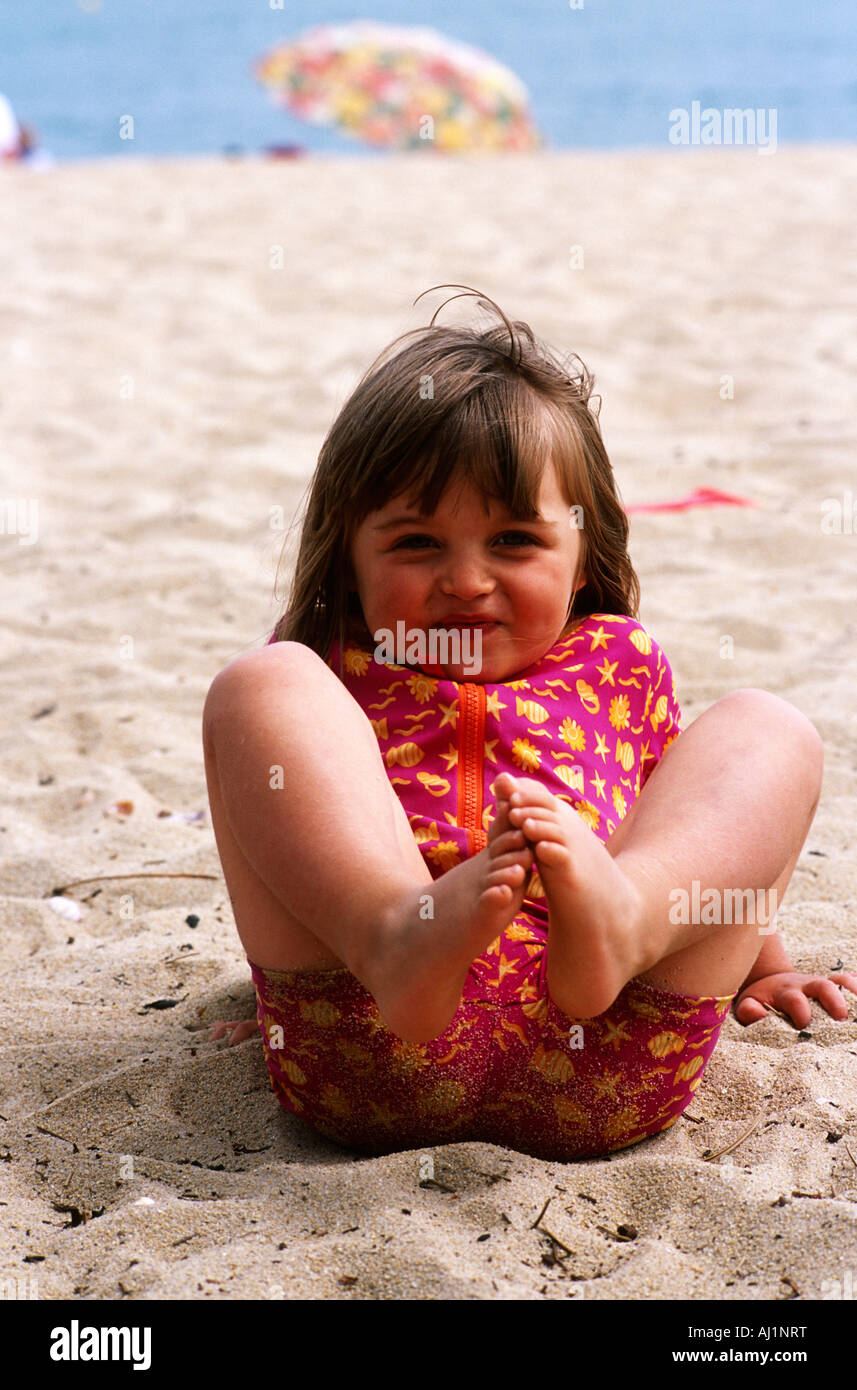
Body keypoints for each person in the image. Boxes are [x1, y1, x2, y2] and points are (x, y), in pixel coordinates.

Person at [204, 285, 855, 1161]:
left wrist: (768, 966)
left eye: (512, 541)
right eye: (415, 544)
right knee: (259, 683)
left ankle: (626, 920)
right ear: (345, 558)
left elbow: (697, 824)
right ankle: (393, 934)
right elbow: (288, 848)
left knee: (767, 728)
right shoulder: (325, 670)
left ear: (586, 556)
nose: (466, 581)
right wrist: (288, 987)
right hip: (366, 1037)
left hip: (620, 1041)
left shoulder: (619, 669)